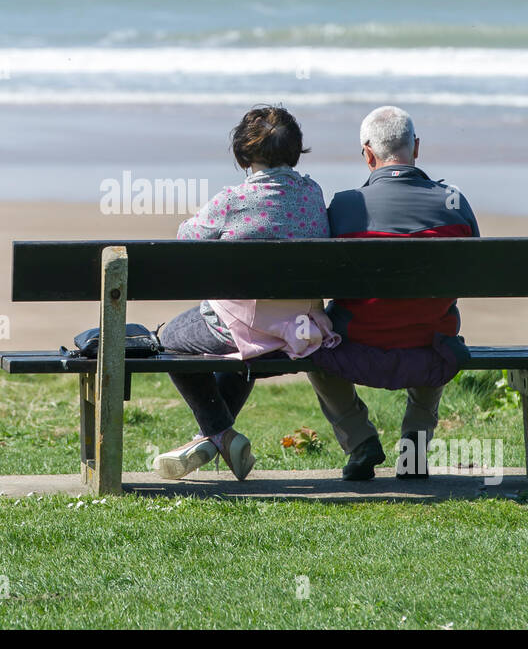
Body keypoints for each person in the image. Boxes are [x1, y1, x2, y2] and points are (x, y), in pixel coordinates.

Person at [151, 106, 339, 483]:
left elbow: (186, 238)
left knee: (168, 339)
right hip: (303, 325)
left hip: (250, 326)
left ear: (243, 153)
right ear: (295, 149)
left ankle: (219, 432)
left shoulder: (231, 201)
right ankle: (215, 436)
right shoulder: (312, 193)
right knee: (240, 344)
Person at [307, 106, 480, 481]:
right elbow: (467, 278)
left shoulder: (345, 206)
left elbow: (319, 279)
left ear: (368, 154)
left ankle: (358, 438)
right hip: (429, 349)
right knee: (437, 318)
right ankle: (415, 447)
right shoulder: (453, 203)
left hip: (353, 347)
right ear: (415, 148)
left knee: (310, 342)